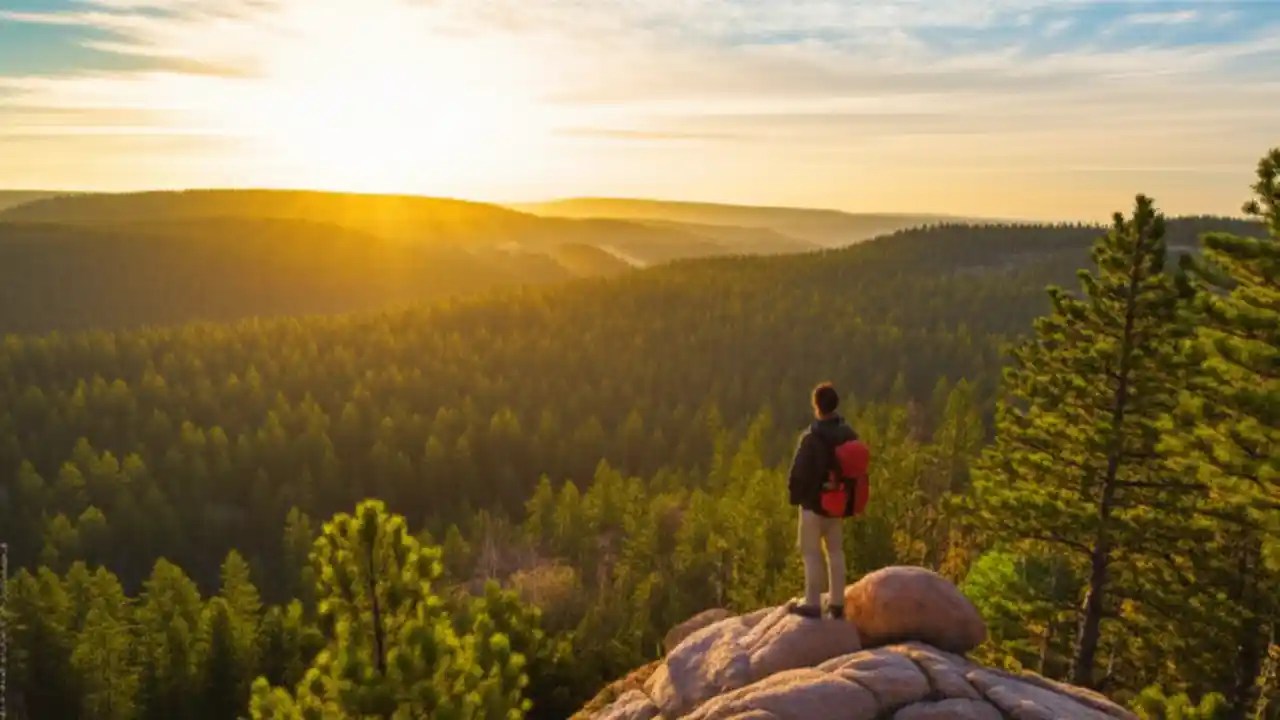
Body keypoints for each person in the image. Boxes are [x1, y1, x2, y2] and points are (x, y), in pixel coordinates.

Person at [787, 382, 858, 619]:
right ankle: (837, 604)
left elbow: (799, 473)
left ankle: (812, 603)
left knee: (811, 553)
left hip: (813, 506)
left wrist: (795, 496)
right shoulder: (847, 434)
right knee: (836, 552)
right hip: (838, 503)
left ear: (816, 406)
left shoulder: (812, 437)